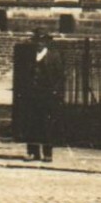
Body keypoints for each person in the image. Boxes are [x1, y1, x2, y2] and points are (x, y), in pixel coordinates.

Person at [24, 31, 65, 162]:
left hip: (48, 94)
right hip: (33, 94)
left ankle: (47, 153)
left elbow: (60, 76)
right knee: (32, 124)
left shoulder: (54, 56)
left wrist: (56, 92)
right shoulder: (30, 56)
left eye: (41, 41)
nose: (39, 43)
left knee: (47, 124)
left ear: (46, 42)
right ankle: (32, 152)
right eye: (37, 41)